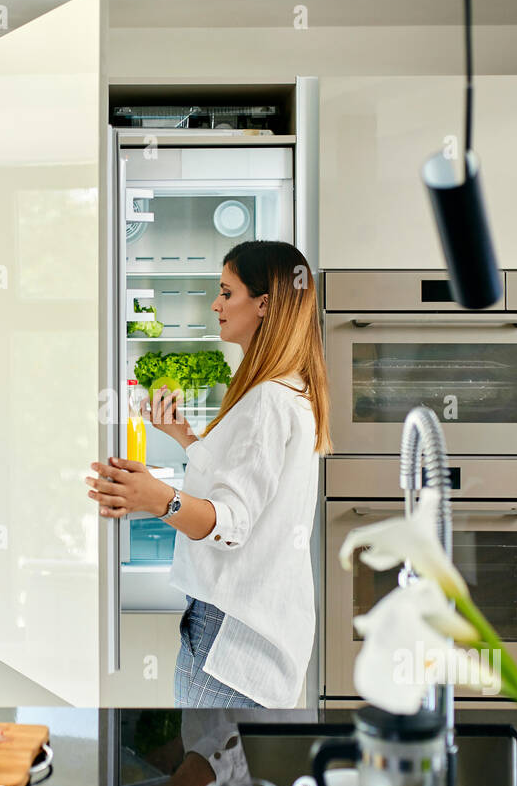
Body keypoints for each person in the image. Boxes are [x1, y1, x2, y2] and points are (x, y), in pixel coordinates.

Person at [85, 240, 332, 708]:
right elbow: (251, 489)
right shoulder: (290, 390)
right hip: (260, 628)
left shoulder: (267, 400)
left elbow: (230, 525)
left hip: (231, 637)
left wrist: (157, 498)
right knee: (230, 781)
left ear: (263, 304)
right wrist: (186, 438)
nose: (216, 305)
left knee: (203, 778)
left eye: (226, 292)